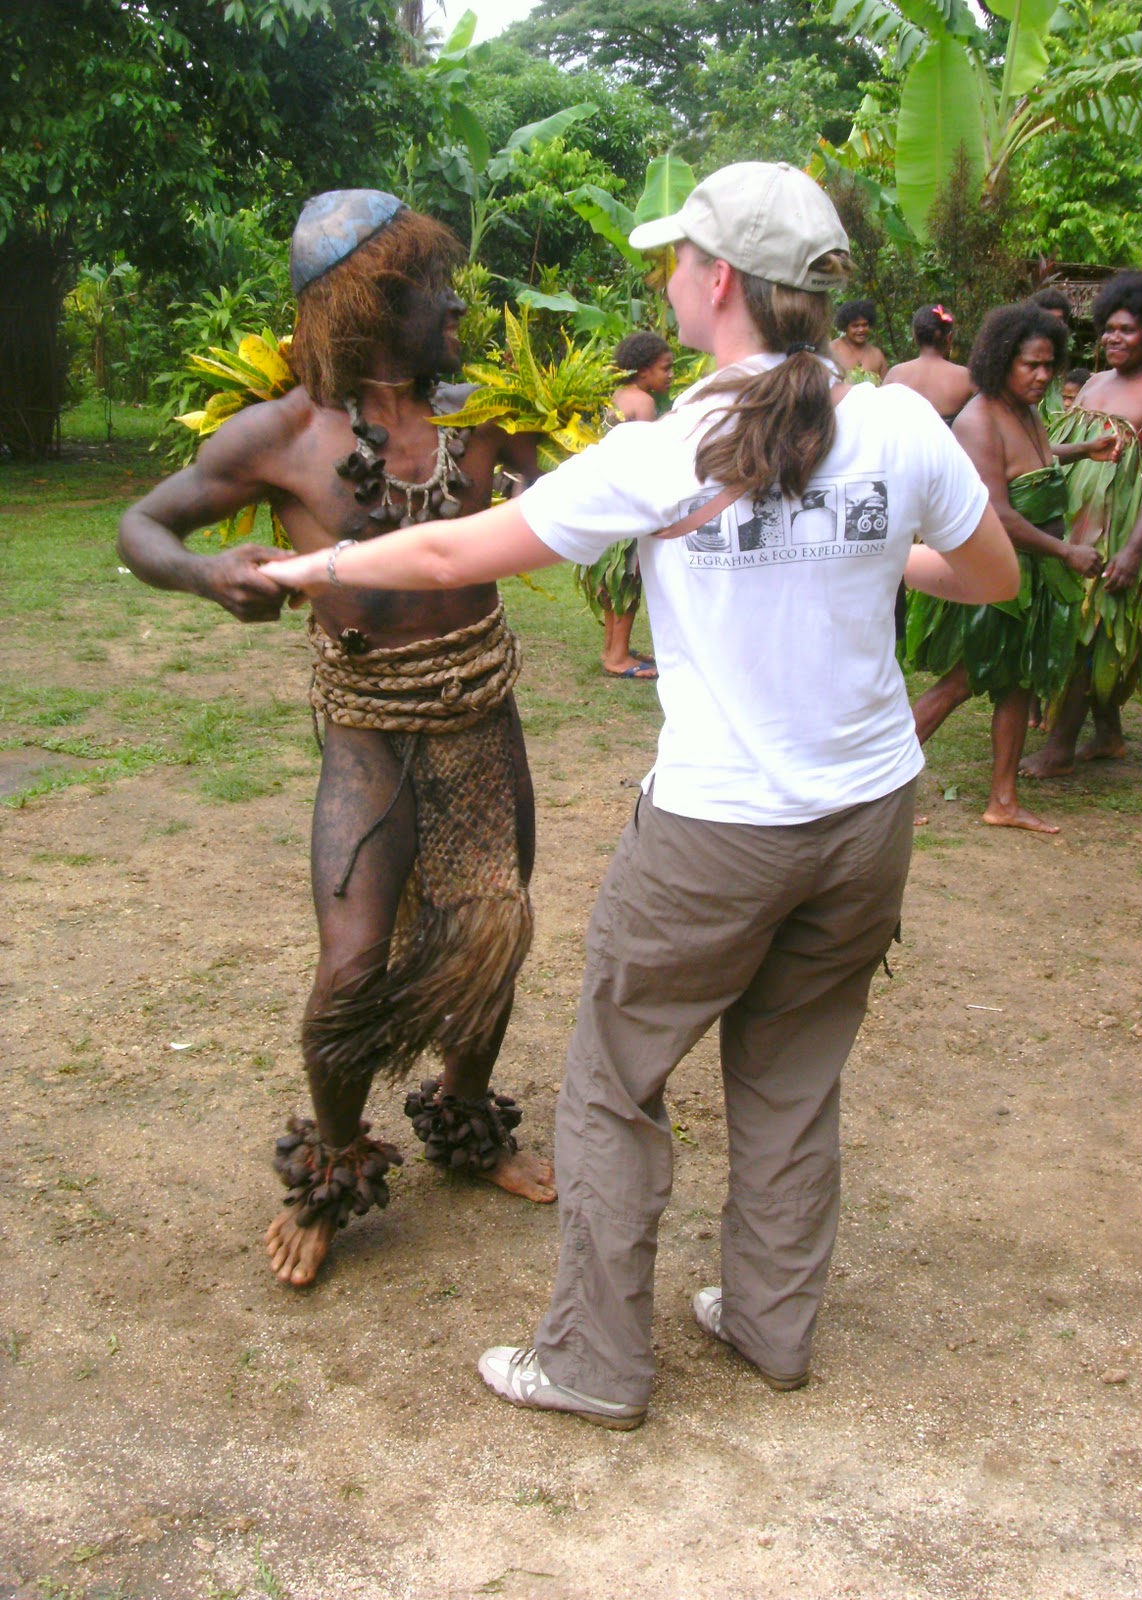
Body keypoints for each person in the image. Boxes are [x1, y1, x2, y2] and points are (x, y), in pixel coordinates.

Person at [263, 161, 1018, 1428]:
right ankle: (772, 1327)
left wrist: (315, 564)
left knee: (615, 1083)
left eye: (677, 258)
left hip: (717, 833)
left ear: (721, 281)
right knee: (790, 1075)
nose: (665, 276)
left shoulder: (662, 449)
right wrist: (875, 546)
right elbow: (986, 577)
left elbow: (453, 547)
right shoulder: (898, 424)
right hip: (870, 818)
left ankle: (597, 1363)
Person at [117, 191, 555, 1291]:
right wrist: (206, 571)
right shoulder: (283, 436)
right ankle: (330, 1171)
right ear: (377, 300)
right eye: (435, 289)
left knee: (489, 931)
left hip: (481, 714)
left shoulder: (488, 412)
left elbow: (573, 491)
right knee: (353, 964)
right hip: (370, 731)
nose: (458, 303)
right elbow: (142, 526)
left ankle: (466, 1127)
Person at [905, 303, 1112, 834]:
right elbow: (996, 511)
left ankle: (1002, 799)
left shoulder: (1027, 411)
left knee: (1017, 683)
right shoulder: (978, 419)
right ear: (1002, 361)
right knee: (960, 682)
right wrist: (1066, 552)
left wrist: (1083, 449)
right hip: (997, 573)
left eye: (1049, 365)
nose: (1043, 376)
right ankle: (871, 785)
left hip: (1031, 573)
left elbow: (1034, 462)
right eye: (1031, 365)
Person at [1020, 271, 1142, 778]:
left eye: (1126, 330)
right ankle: (1110, 735)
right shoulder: (1095, 383)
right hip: (1075, 527)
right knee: (1082, 626)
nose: (1113, 338)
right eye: (1109, 329)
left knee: (1089, 633)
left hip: (1122, 531)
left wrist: (1135, 550)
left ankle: (1059, 748)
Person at [576, 331, 673, 680]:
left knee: (611, 577)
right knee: (628, 577)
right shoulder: (643, 402)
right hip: (629, 502)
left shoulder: (616, 395)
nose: (671, 375)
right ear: (644, 371)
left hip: (605, 498)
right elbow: (644, 458)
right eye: (666, 368)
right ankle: (618, 656)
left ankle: (612, 648)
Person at [883, 304, 974, 423]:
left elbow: (881, 417)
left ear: (915, 337)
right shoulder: (966, 377)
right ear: (949, 338)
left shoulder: (895, 375)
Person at [831, 298, 889, 382]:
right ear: (845, 327)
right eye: (855, 326)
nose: (861, 330)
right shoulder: (832, 350)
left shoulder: (877, 354)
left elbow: (886, 387)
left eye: (864, 325)